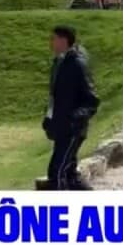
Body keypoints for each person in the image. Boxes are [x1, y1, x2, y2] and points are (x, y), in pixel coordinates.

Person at [43, 25, 100, 189]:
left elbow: (92, 100)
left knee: (56, 172)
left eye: (53, 39)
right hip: (60, 127)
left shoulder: (77, 64)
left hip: (72, 129)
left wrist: (75, 118)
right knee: (70, 174)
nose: (51, 43)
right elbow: (55, 97)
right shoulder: (59, 62)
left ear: (63, 40)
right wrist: (49, 118)